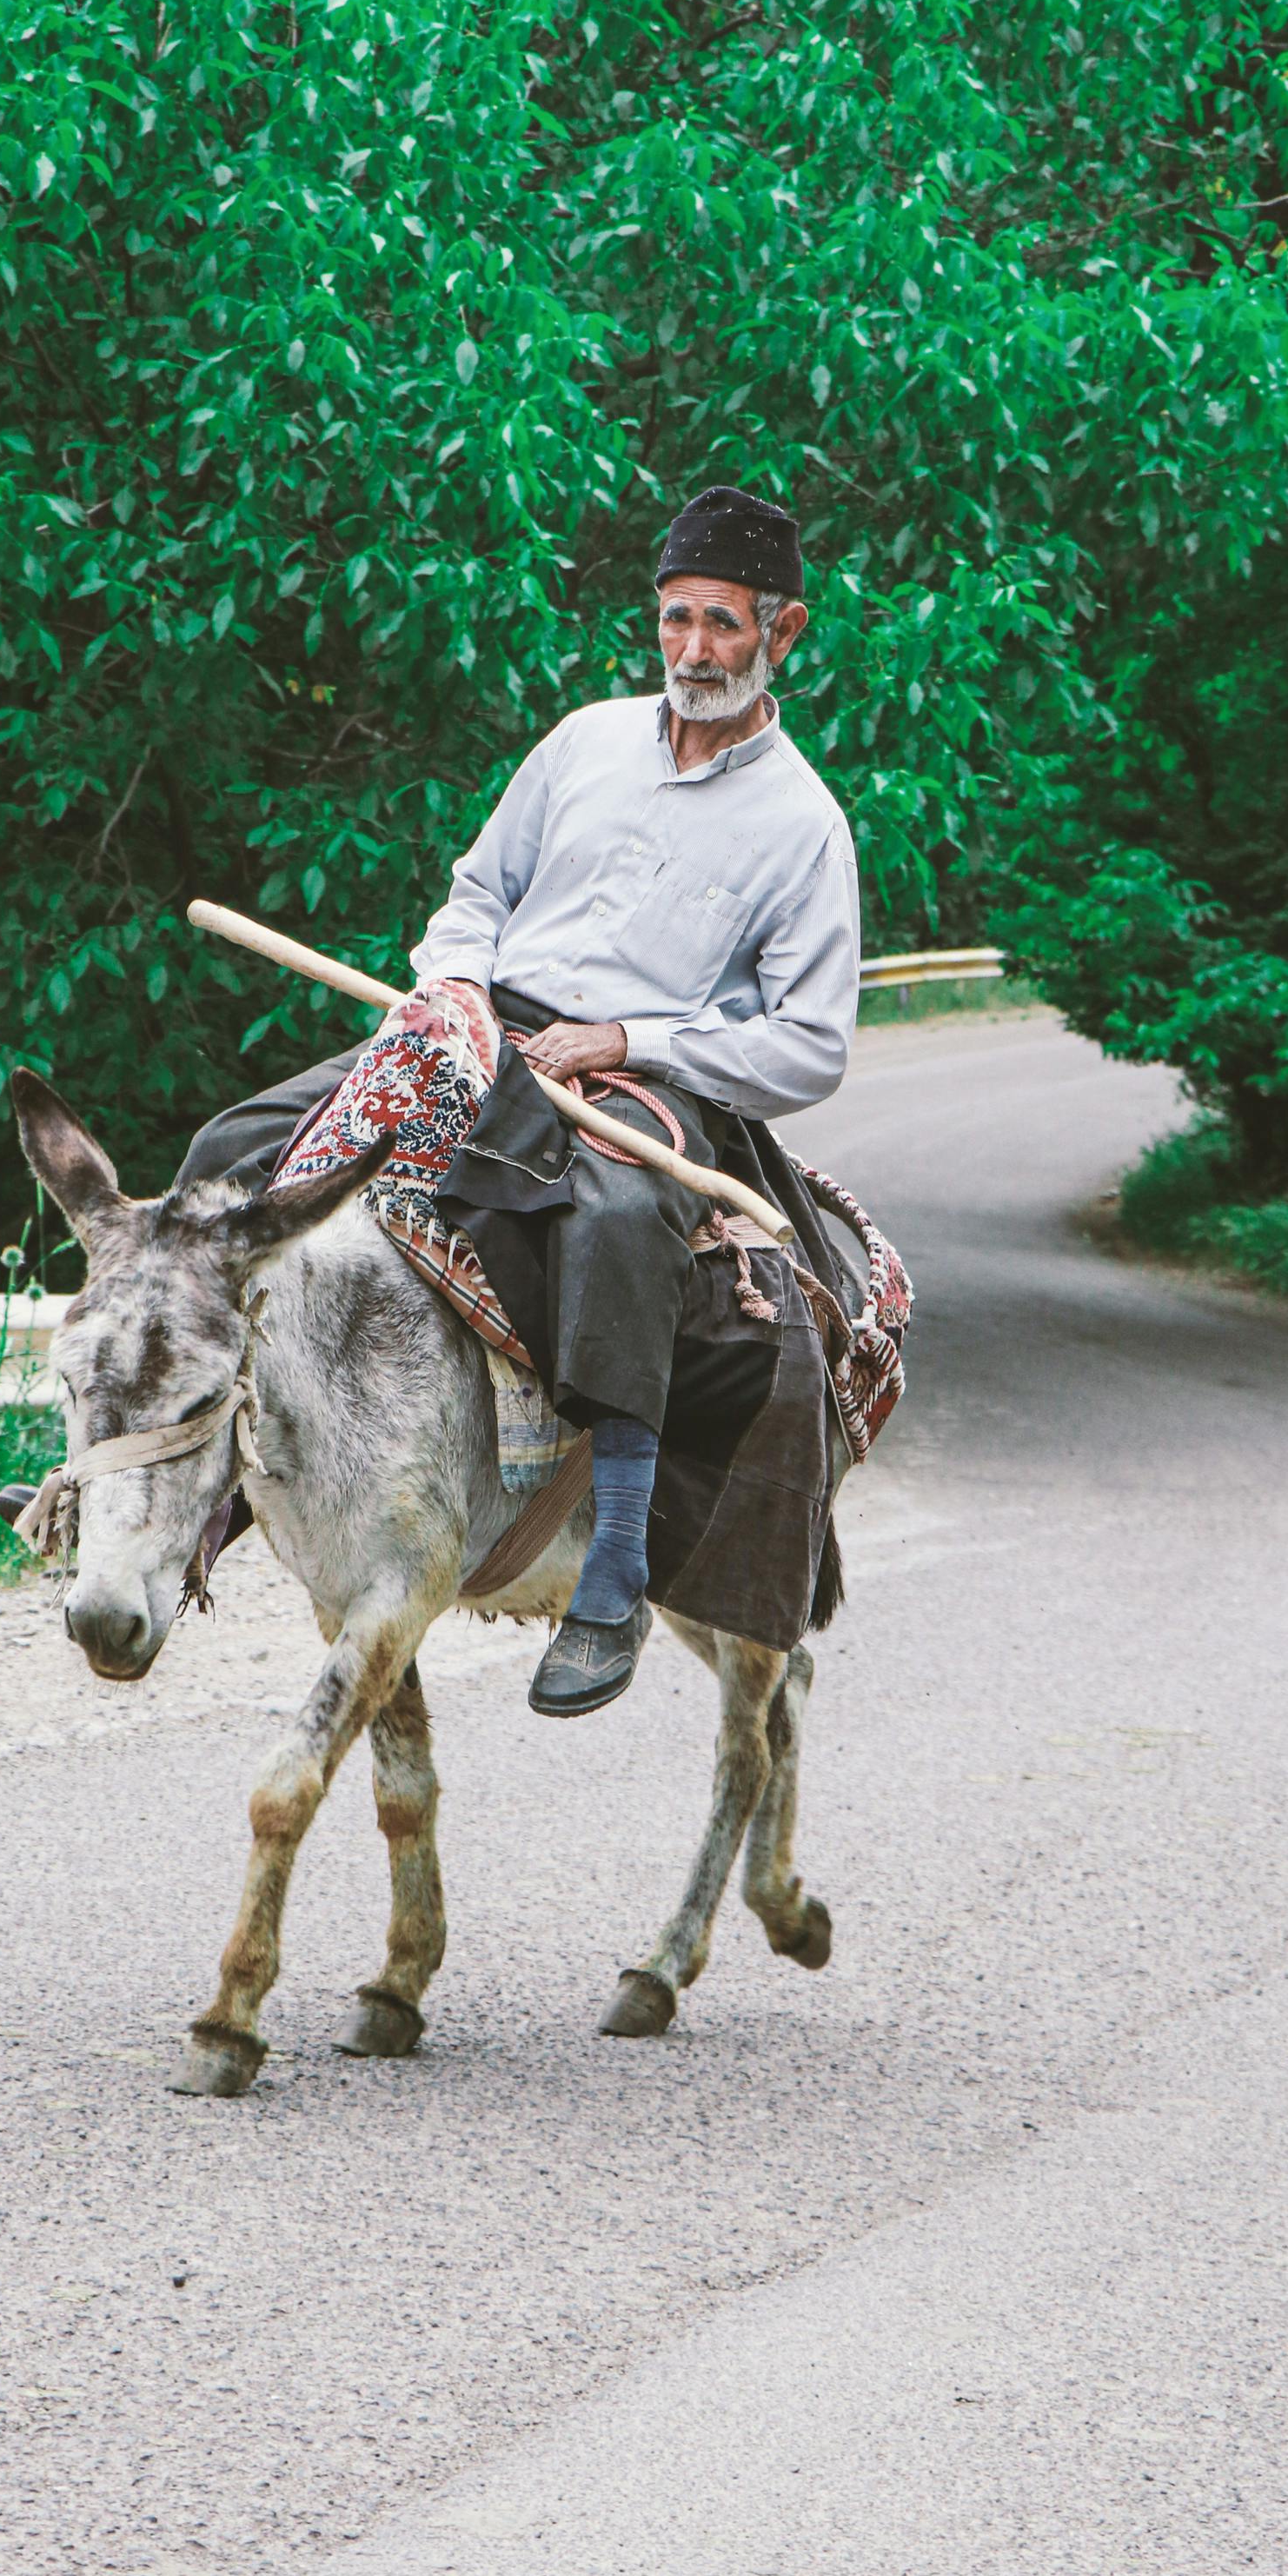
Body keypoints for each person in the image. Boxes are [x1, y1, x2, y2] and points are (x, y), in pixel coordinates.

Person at [174, 484, 861, 1716]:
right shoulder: (583, 741)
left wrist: (632, 1037)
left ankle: (613, 1568)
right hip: (485, 1030)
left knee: (610, 1224)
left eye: (721, 624)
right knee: (234, 1150)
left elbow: (810, 1046)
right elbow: (475, 892)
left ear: (784, 631)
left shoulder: (807, 825)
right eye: (675, 620)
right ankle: (193, 1485)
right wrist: (452, 983)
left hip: (647, 1079)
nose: (693, 649)